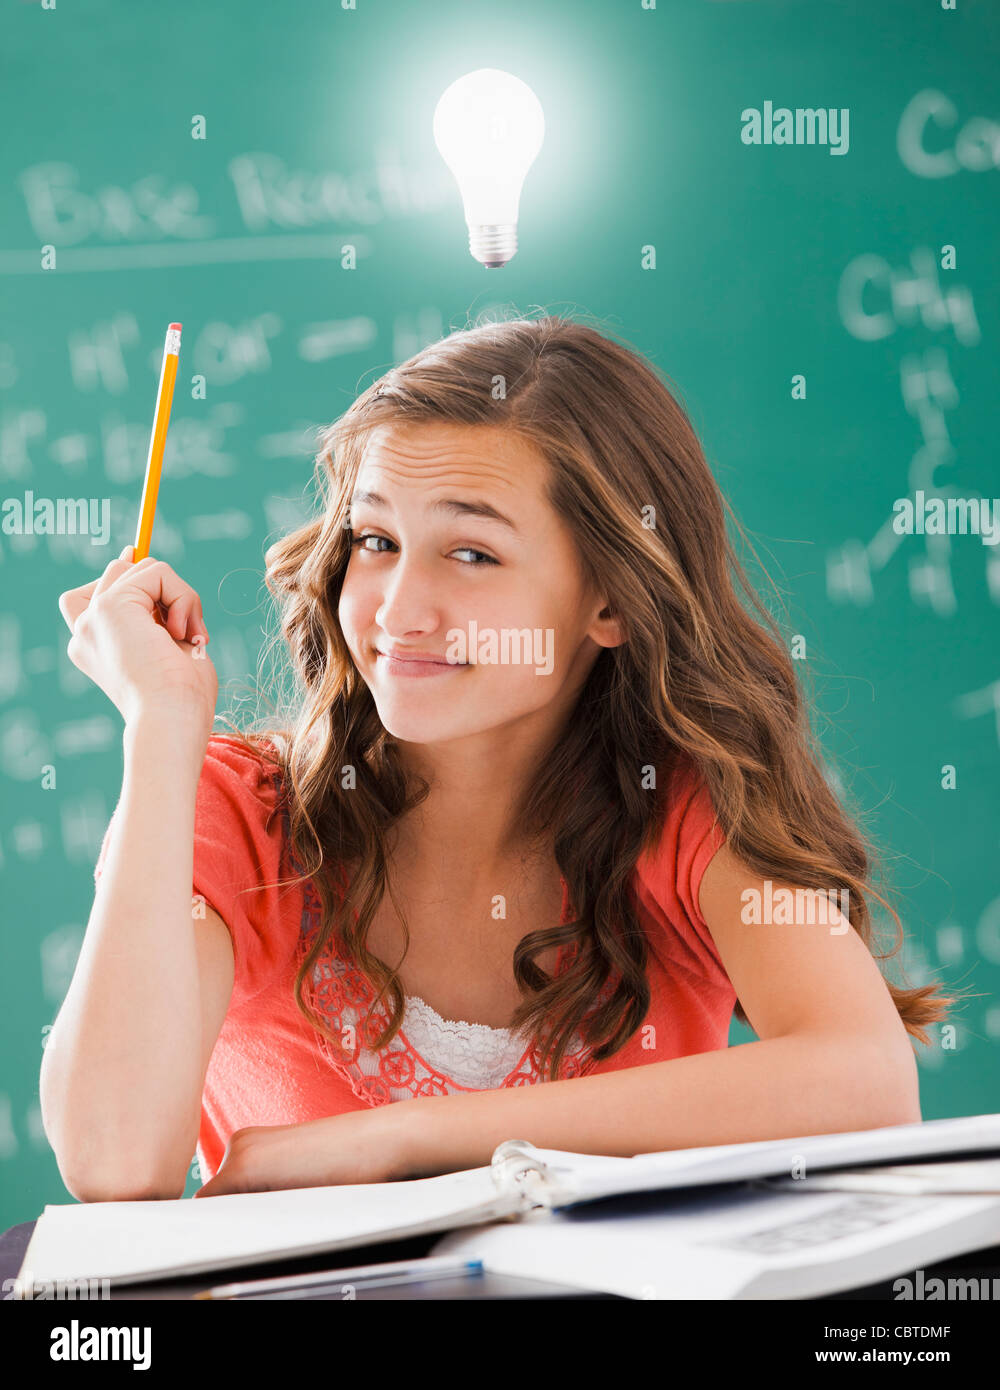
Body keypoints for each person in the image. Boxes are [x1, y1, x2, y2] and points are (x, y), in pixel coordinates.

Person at [43, 314, 951, 1203]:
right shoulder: (241, 813)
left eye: (472, 553)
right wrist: (161, 726)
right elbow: (117, 1162)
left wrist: (400, 1142)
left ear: (611, 603)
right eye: (377, 541)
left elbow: (866, 1086)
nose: (399, 611)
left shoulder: (683, 807)